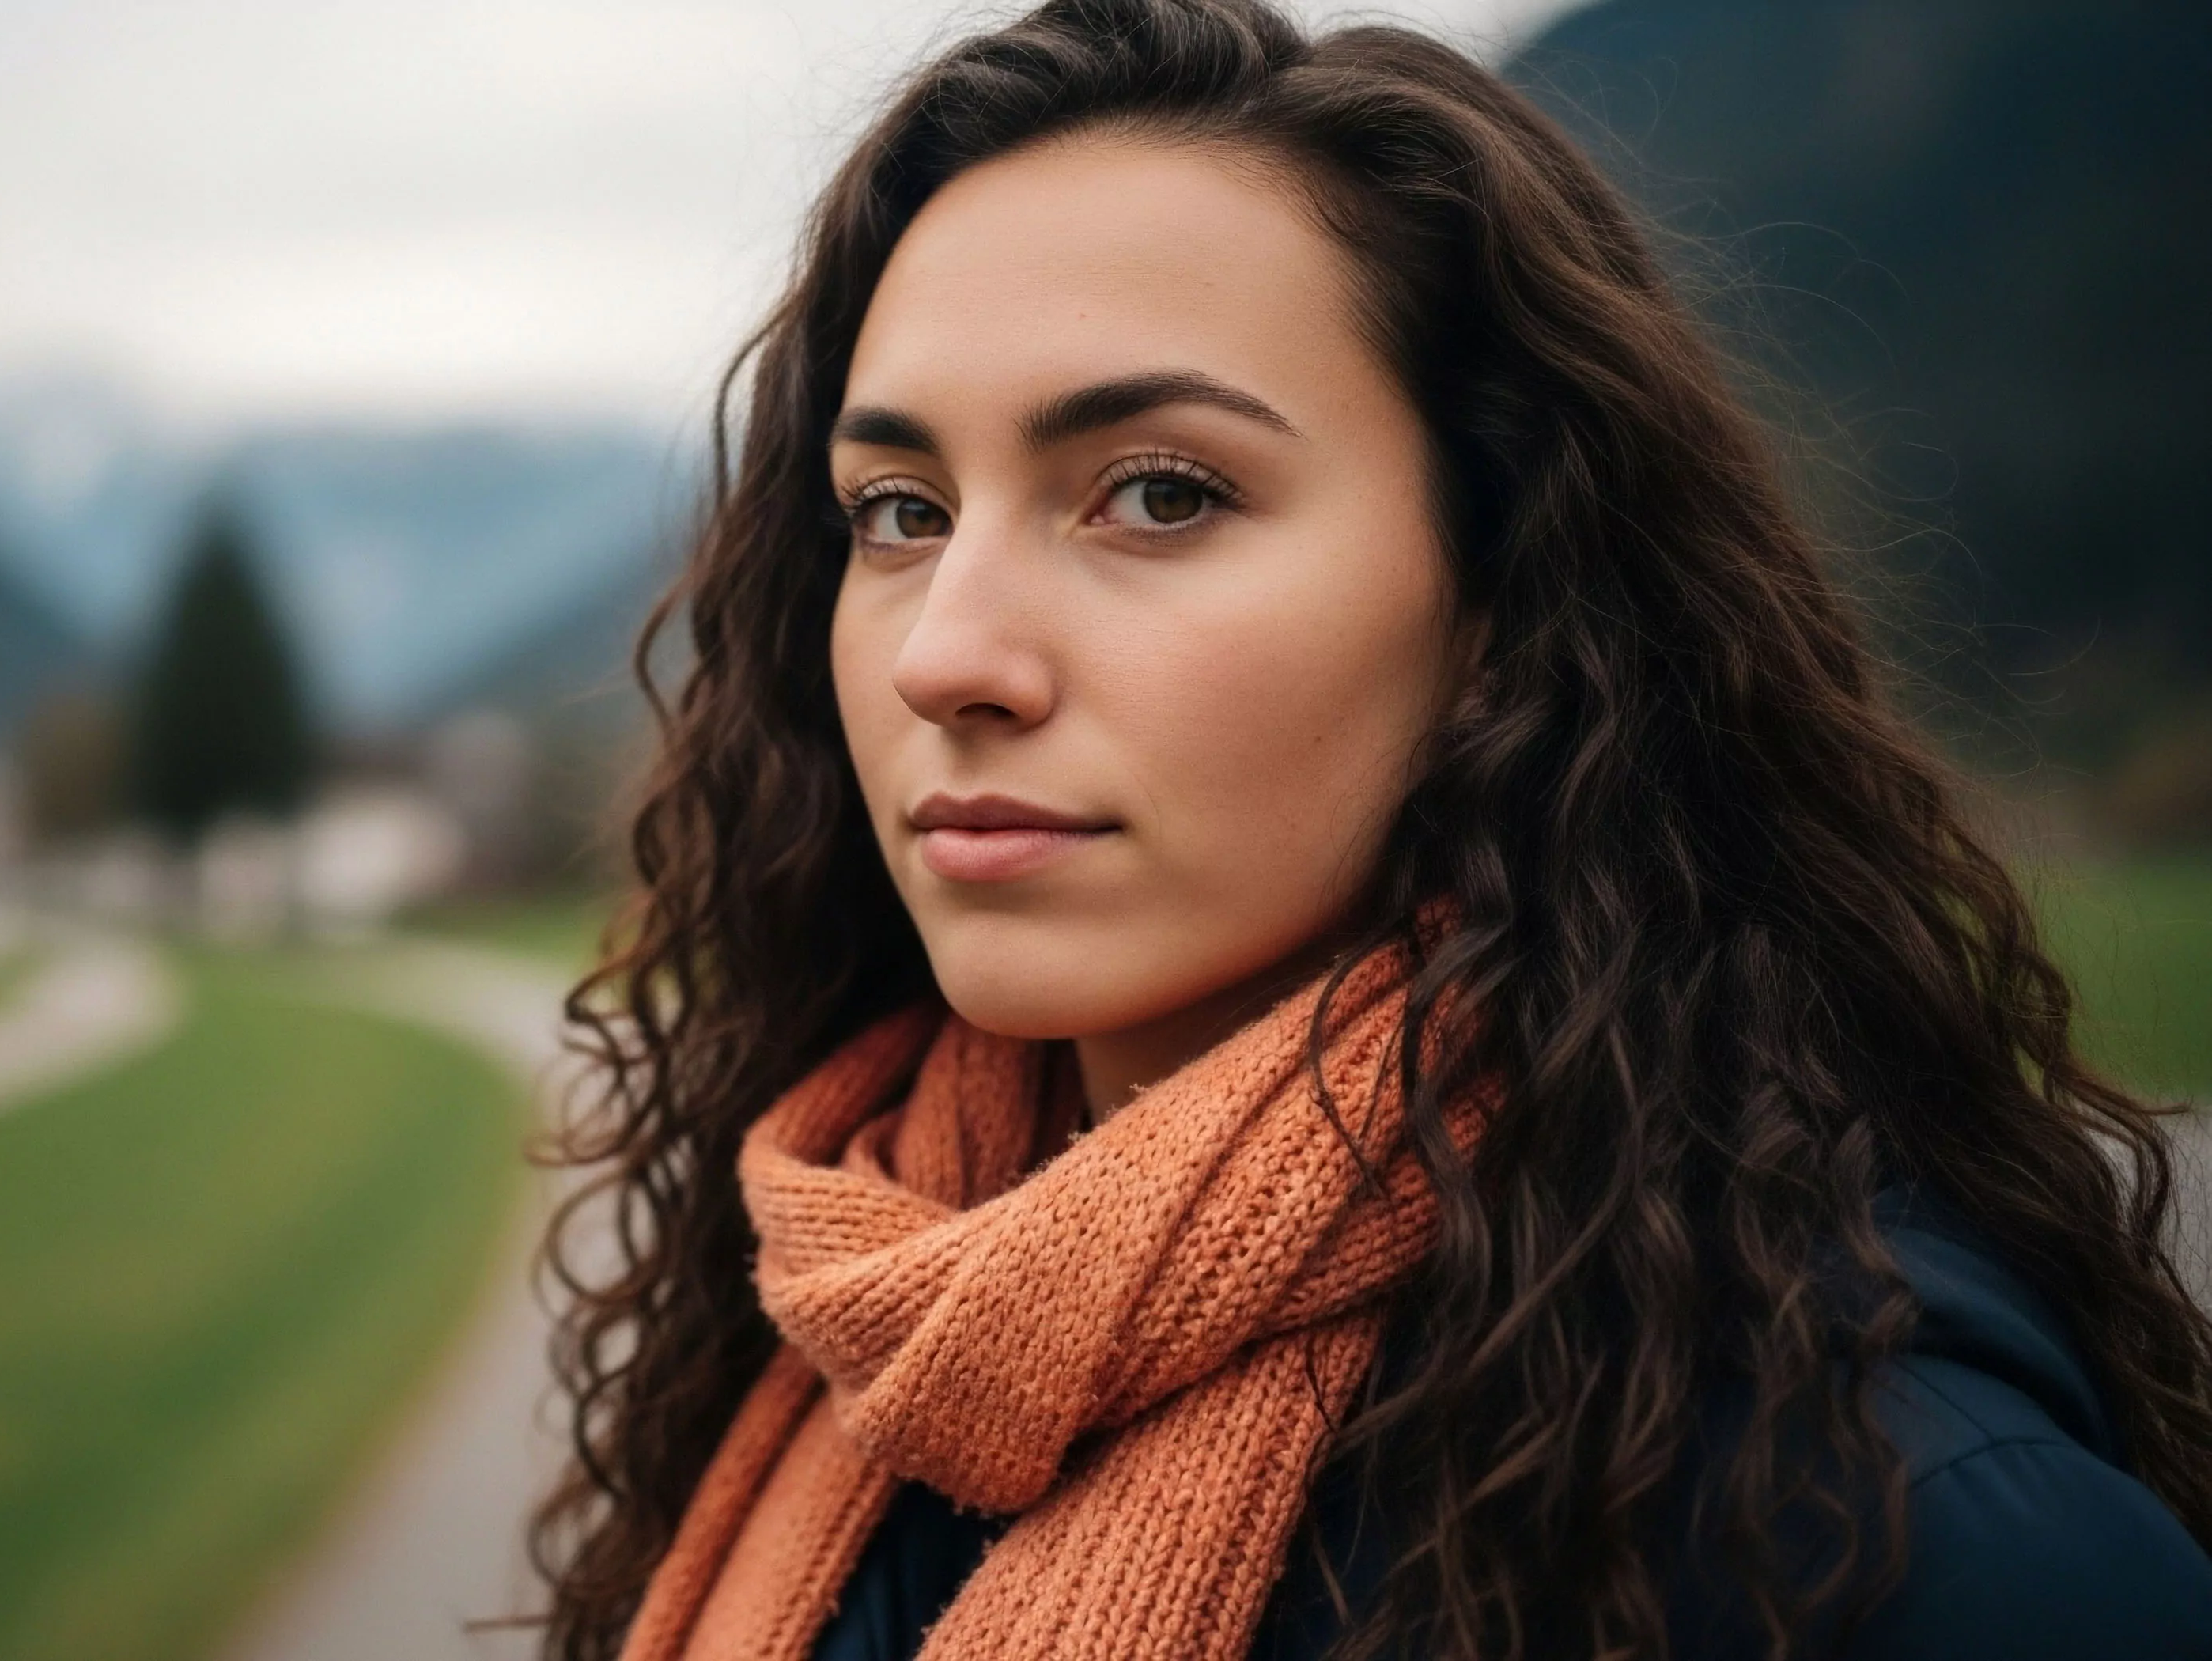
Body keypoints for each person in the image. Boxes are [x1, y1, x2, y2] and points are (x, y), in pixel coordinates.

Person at [520, 2, 2212, 1658]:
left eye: (1159, 493)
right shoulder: (839, 1326)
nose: (946, 654)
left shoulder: (1873, 1524)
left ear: (1499, 595)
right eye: (897, 512)